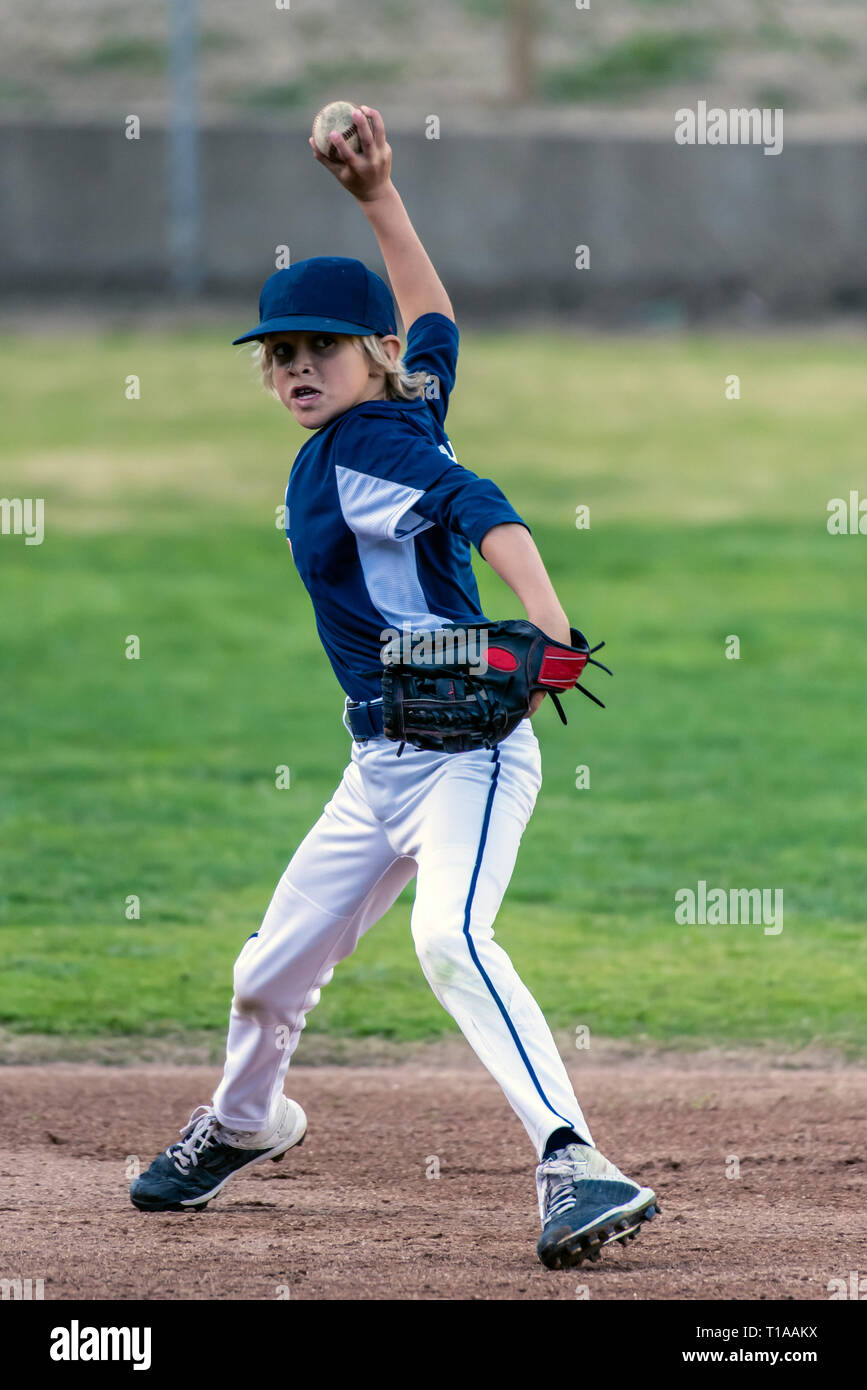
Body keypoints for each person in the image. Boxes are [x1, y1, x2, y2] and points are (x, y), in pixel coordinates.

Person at [130, 106, 658, 1270]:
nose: (296, 368)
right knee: (266, 972)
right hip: (379, 762)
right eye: (279, 353)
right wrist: (376, 195)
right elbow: (435, 316)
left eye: (319, 347)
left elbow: (489, 509)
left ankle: (575, 1158)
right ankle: (246, 1122)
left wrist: (554, 628)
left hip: (463, 753)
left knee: (450, 938)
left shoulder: (371, 447)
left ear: (364, 358)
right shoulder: (409, 400)